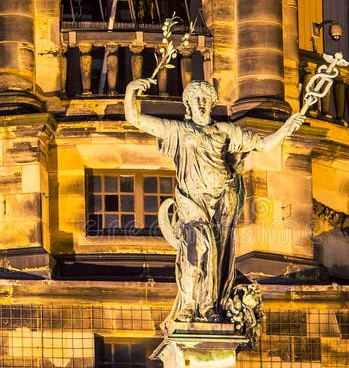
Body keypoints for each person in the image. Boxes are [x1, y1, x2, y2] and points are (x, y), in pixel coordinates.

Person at [124, 76, 305, 326]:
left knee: (215, 257)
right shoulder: (178, 130)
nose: (200, 104)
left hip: (220, 203)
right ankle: (188, 304)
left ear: (211, 103)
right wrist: (131, 91)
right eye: (195, 99)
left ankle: (208, 306)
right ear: (187, 104)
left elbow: (262, 146)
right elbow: (135, 119)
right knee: (197, 251)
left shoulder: (224, 131)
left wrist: (286, 128)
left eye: (205, 99)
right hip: (192, 201)